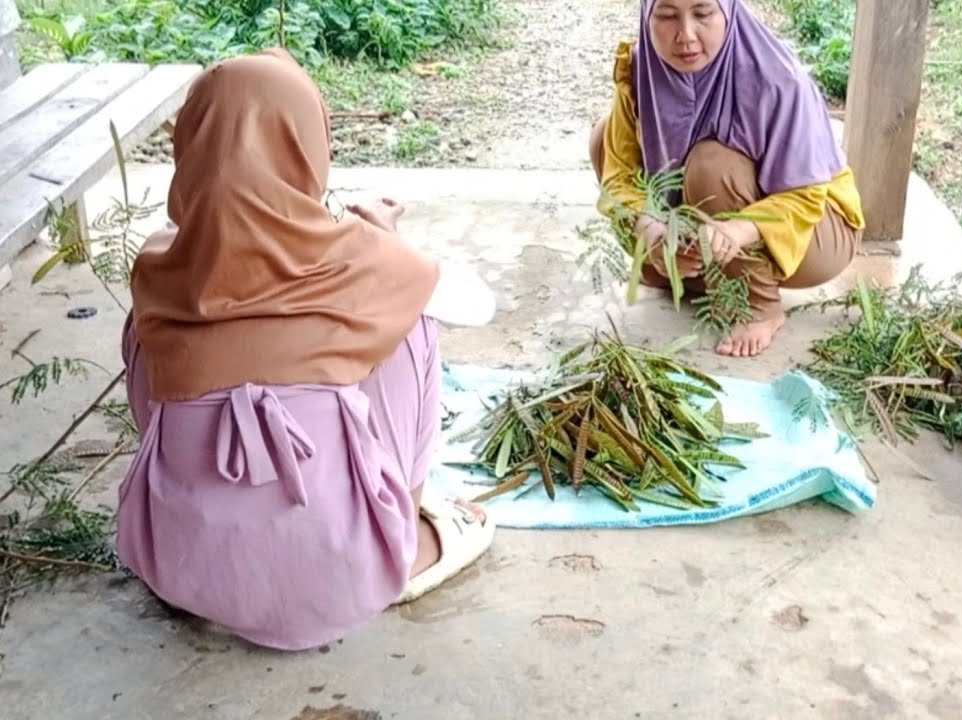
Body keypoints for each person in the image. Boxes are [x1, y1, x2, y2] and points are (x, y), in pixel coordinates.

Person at [115, 48, 495, 652]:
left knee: (142, 331)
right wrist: (386, 243)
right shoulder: (358, 259)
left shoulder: (159, 268)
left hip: (185, 576)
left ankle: (187, 527)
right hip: (351, 578)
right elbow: (477, 304)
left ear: (190, 146)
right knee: (413, 317)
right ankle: (403, 533)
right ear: (306, 145)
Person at [589, 0, 865, 358]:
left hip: (815, 231)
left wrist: (740, 230)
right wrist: (653, 232)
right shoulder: (643, 69)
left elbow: (805, 196)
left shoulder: (776, 78)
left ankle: (759, 305)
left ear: (728, 10)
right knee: (604, 137)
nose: (686, 35)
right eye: (667, 15)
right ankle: (693, 267)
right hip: (715, 229)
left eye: (703, 13)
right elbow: (620, 179)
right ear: (646, 15)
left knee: (711, 167)